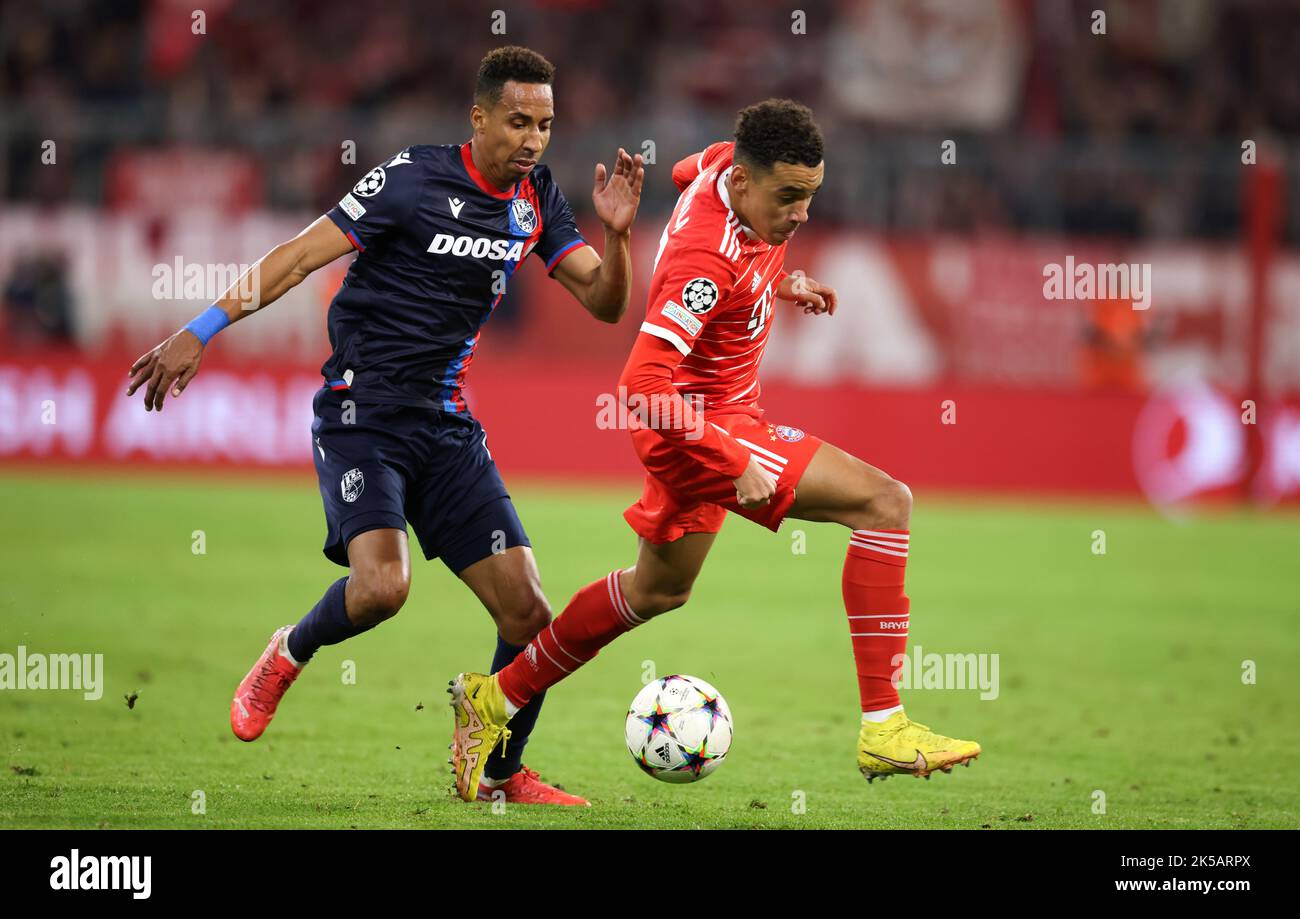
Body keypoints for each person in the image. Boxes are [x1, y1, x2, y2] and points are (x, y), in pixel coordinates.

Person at [127, 46, 644, 806]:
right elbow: (300, 256)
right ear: (479, 118)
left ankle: (498, 772)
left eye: (546, 124)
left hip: (445, 422)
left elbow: (603, 303)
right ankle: (289, 650)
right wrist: (200, 328)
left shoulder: (537, 198)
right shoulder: (412, 179)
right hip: (361, 413)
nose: (534, 139)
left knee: (529, 611)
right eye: (518, 121)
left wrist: (621, 237)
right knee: (381, 588)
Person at [448, 99, 979, 798]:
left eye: (810, 196)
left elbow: (683, 166)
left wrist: (773, 281)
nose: (800, 215)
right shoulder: (707, 260)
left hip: (705, 422)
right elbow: (640, 383)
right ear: (743, 186)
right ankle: (884, 723)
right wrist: (734, 458)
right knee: (886, 503)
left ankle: (494, 698)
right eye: (788, 198)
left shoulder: (727, 164)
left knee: (657, 589)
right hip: (702, 426)